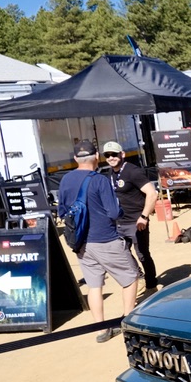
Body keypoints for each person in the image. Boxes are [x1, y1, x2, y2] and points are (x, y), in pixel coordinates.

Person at [57, 140, 140, 342]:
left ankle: (100, 330)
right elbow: (113, 211)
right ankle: (128, 321)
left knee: (95, 286)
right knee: (130, 278)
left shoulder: (65, 180)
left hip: (81, 243)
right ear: (96, 157)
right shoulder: (100, 180)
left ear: (76, 159)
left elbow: (61, 212)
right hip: (106, 239)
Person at [103, 141, 158, 293]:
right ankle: (139, 277)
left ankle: (151, 285)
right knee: (121, 252)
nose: (111, 158)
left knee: (142, 254)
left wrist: (144, 217)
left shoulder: (133, 171)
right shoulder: (110, 173)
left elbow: (152, 194)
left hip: (136, 221)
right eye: (107, 155)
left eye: (114, 154)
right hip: (118, 222)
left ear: (122, 154)